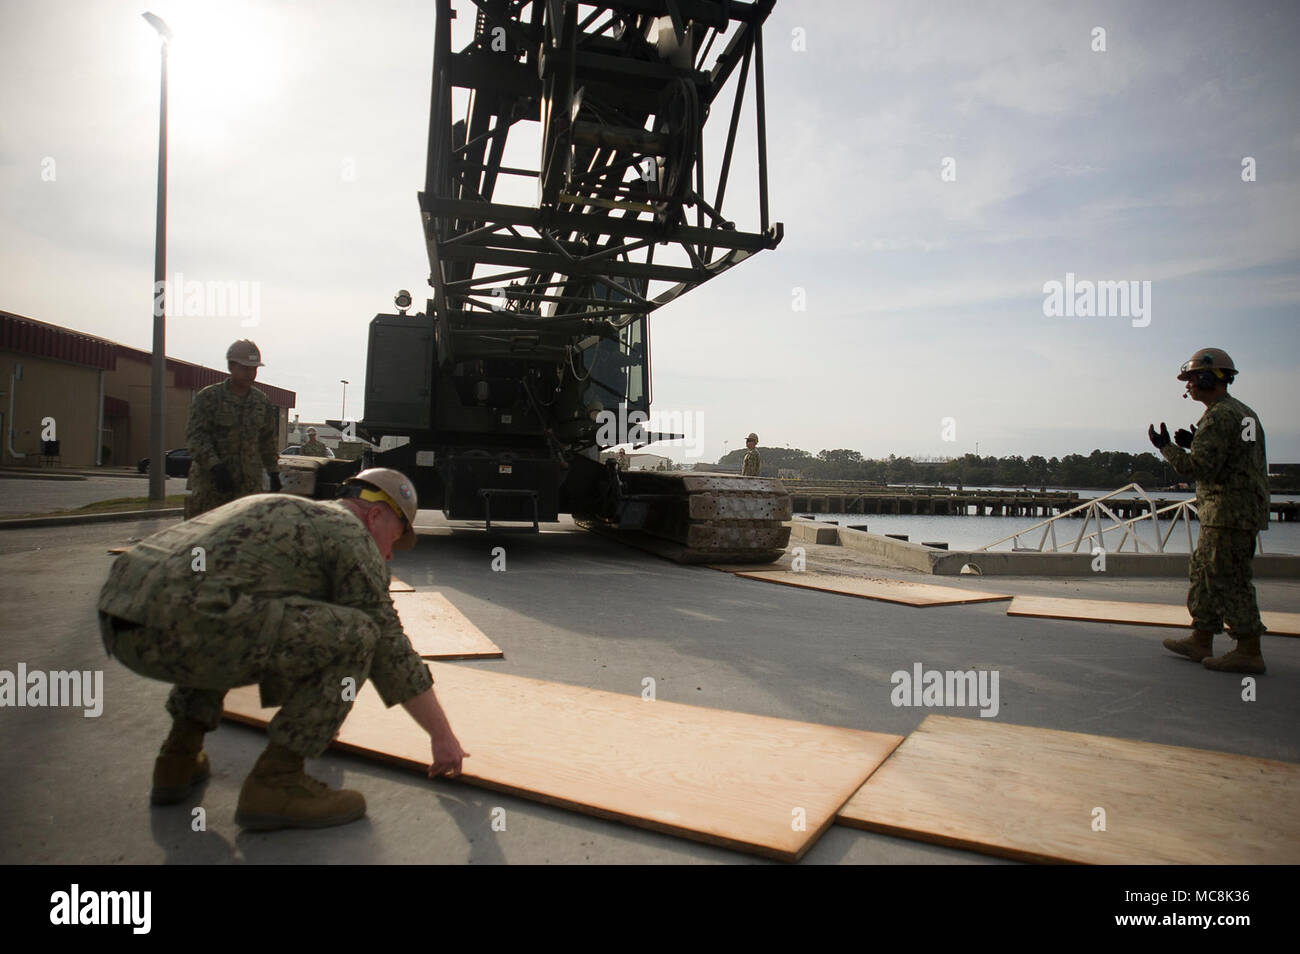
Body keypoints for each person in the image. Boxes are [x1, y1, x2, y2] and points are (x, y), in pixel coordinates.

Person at [96, 467, 469, 830]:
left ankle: (178, 758)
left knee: (227, 611)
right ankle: (278, 781)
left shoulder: (280, 509)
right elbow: (391, 649)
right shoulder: (351, 535)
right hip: (186, 628)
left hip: (121, 616)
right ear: (374, 515)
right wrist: (442, 736)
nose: (389, 555)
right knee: (358, 634)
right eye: (395, 537)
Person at [1147, 348, 1269, 674]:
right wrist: (1196, 440)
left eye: (1191, 380)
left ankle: (1248, 649)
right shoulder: (1240, 413)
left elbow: (1199, 467)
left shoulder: (1219, 416)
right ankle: (1201, 638)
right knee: (1205, 572)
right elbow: (1232, 457)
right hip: (1233, 512)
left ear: (1207, 377)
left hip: (1228, 513)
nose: (1188, 387)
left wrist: (1167, 448)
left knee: (1229, 579)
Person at [185, 339, 281, 518]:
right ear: (231, 366)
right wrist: (215, 467)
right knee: (209, 538)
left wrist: (273, 472)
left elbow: (267, 440)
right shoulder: (209, 398)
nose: (251, 374)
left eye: (254, 369)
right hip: (213, 487)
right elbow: (196, 437)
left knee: (245, 538)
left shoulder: (262, 402)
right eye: (246, 368)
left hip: (248, 489)